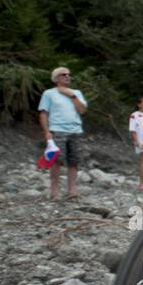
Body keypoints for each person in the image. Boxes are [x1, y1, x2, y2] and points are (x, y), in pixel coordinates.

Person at [37, 67, 88, 201]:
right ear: (56, 78)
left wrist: (71, 95)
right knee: (56, 161)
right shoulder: (49, 94)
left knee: (74, 162)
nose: (67, 76)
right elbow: (43, 114)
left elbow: (82, 110)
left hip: (75, 131)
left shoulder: (76, 93)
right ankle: (55, 193)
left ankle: (72, 191)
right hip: (57, 131)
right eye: (63, 74)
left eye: (69, 74)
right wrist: (46, 131)